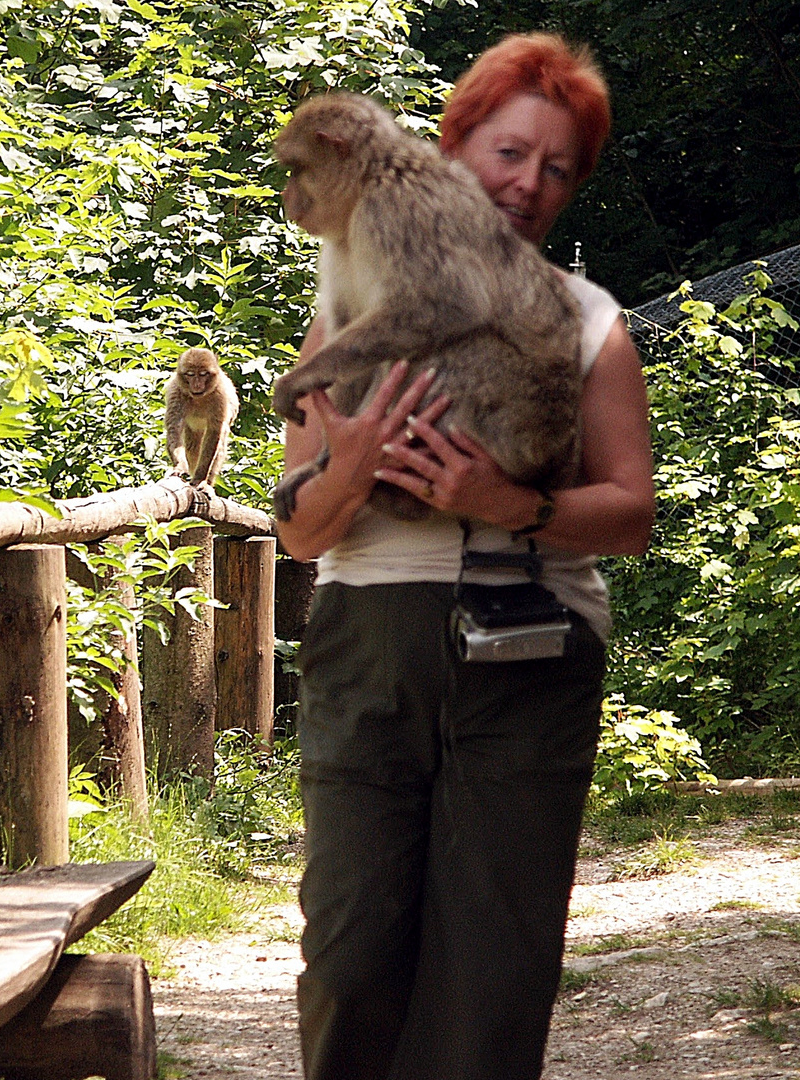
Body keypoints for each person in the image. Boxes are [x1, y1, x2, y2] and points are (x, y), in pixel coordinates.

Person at [276, 33, 656, 1080]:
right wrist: (347, 470)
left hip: (526, 650)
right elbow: (298, 532)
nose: (526, 184)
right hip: (370, 644)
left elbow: (627, 514)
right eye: (506, 153)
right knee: (350, 958)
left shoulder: (586, 321)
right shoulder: (346, 301)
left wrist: (505, 504)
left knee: (491, 969)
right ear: (453, 147)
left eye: (555, 168)